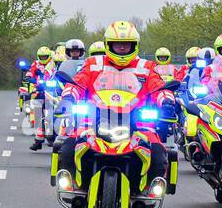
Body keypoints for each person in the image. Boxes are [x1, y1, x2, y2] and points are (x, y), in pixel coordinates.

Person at [52, 20, 179, 198]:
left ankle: (148, 196)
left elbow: (158, 87)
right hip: (94, 119)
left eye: (126, 44)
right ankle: (74, 189)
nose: (121, 48)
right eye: (117, 44)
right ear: (108, 44)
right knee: (67, 148)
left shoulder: (146, 67)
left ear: (134, 45)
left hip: (137, 122)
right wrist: (67, 98)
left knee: (158, 153)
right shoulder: (93, 63)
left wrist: (166, 102)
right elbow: (78, 83)